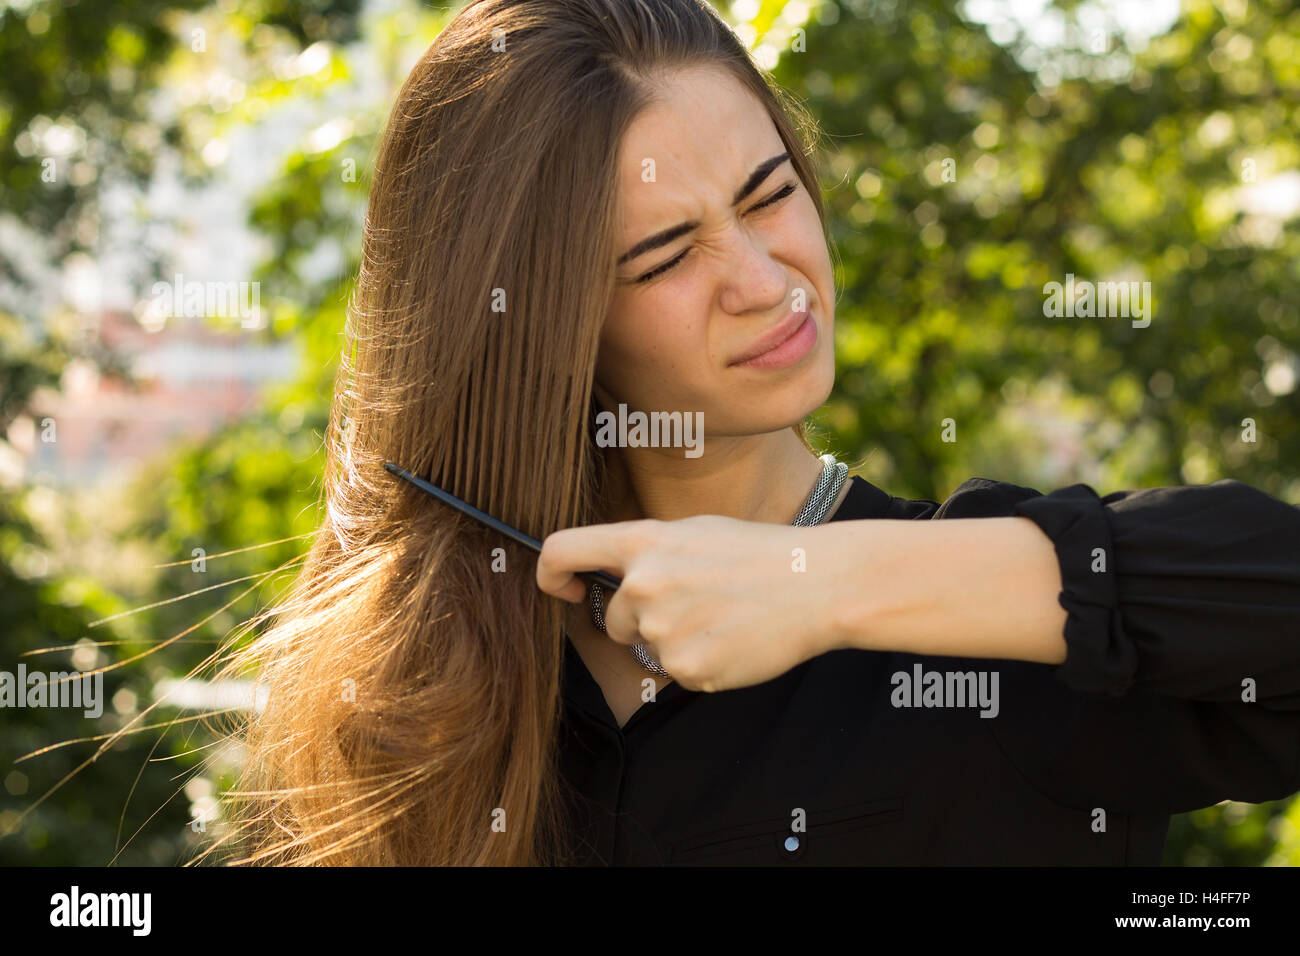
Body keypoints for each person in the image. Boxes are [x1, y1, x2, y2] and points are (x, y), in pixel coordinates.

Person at [217, 0, 1300, 866]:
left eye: (769, 193)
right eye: (664, 255)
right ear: (543, 329)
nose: (763, 280)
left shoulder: (983, 637)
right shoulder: (423, 694)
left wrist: (815, 583)